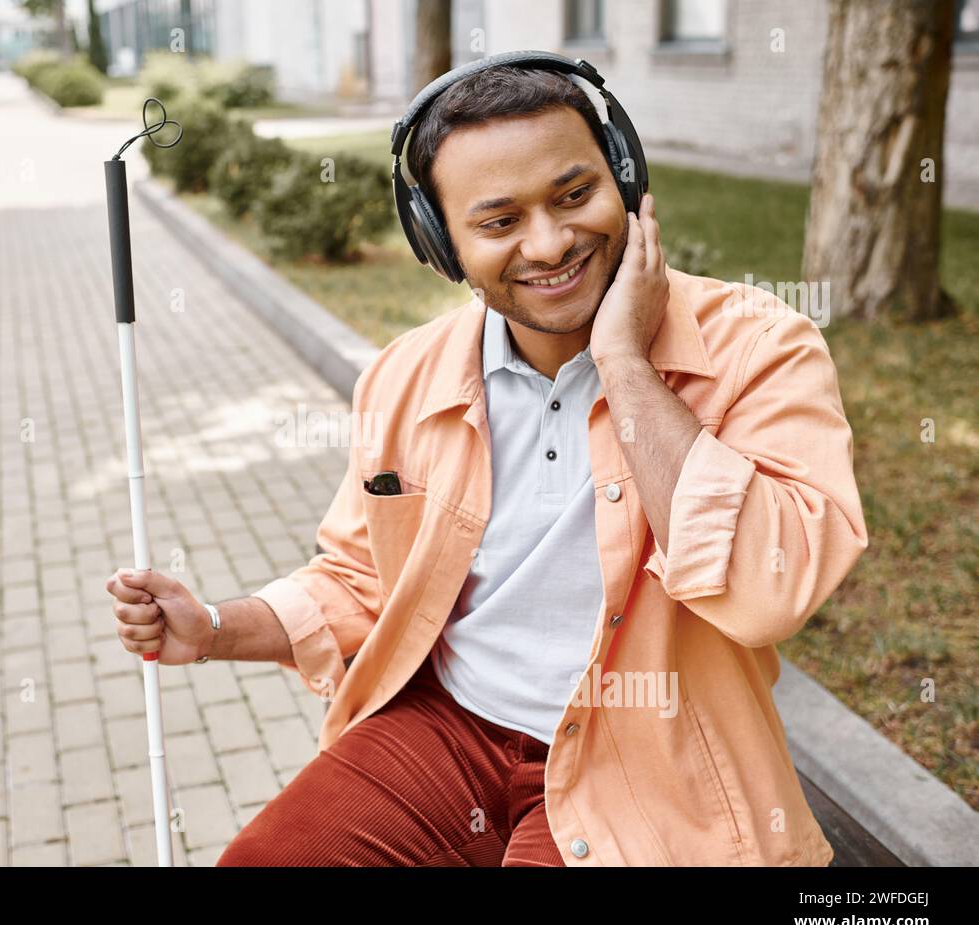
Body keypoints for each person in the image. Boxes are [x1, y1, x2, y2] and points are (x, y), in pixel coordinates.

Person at [106, 55, 868, 866]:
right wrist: (217, 628)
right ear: (441, 244)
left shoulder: (760, 346)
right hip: (446, 729)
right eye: (499, 222)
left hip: (645, 746)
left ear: (626, 177)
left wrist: (627, 366)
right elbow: (363, 579)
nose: (551, 242)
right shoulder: (405, 375)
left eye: (575, 196)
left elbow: (770, 591)